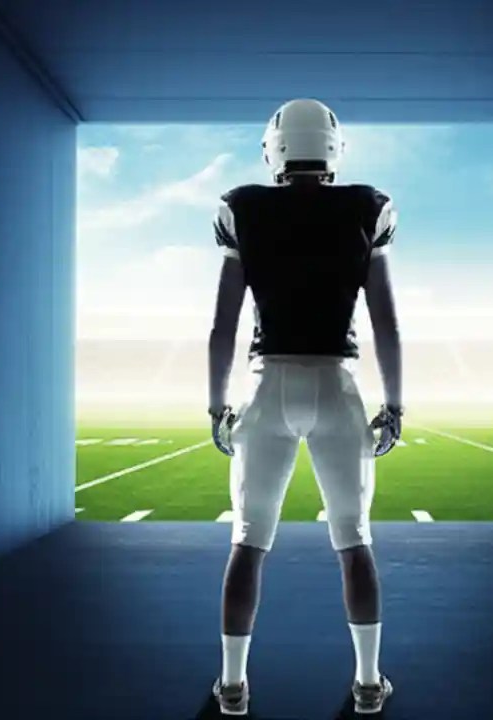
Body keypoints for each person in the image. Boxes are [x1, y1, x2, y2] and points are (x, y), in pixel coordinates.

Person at [205, 98, 403, 716]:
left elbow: (223, 327)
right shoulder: (367, 208)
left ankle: (233, 685)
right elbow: (386, 326)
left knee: (247, 541)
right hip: (338, 389)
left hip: (267, 387)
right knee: (354, 541)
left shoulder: (244, 208)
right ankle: (368, 682)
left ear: (275, 146)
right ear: (332, 147)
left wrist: (216, 405)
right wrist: (395, 405)